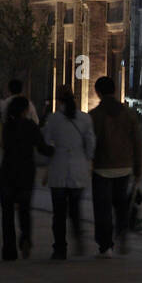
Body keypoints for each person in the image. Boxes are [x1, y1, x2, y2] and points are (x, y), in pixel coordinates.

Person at [88, 76, 142, 257]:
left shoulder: (94, 115)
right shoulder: (128, 114)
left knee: (102, 208)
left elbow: (90, 143)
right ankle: (122, 232)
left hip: (102, 168)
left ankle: (105, 245)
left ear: (98, 93)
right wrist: (138, 168)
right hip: (124, 167)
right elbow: (137, 142)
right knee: (121, 205)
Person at [0, 89, 53, 260]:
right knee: (25, 210)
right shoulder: (30, 126)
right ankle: (26, 238)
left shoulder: (5, 127)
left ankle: (9, 250)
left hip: (7, 173)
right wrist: (56, 149)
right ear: (25, 110)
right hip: (26, 173)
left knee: (7, 214)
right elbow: (43, 148)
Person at [44, 85, 95, 260]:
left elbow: (45, 142)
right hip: (78, 170)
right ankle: (78, 237)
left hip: (58, 169)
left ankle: (60, 248)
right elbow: (91, 145)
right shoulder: (85, 118)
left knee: (58, 214)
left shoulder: (53, 119)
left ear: (58, 101)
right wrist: (86, 158)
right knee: (75, 209)